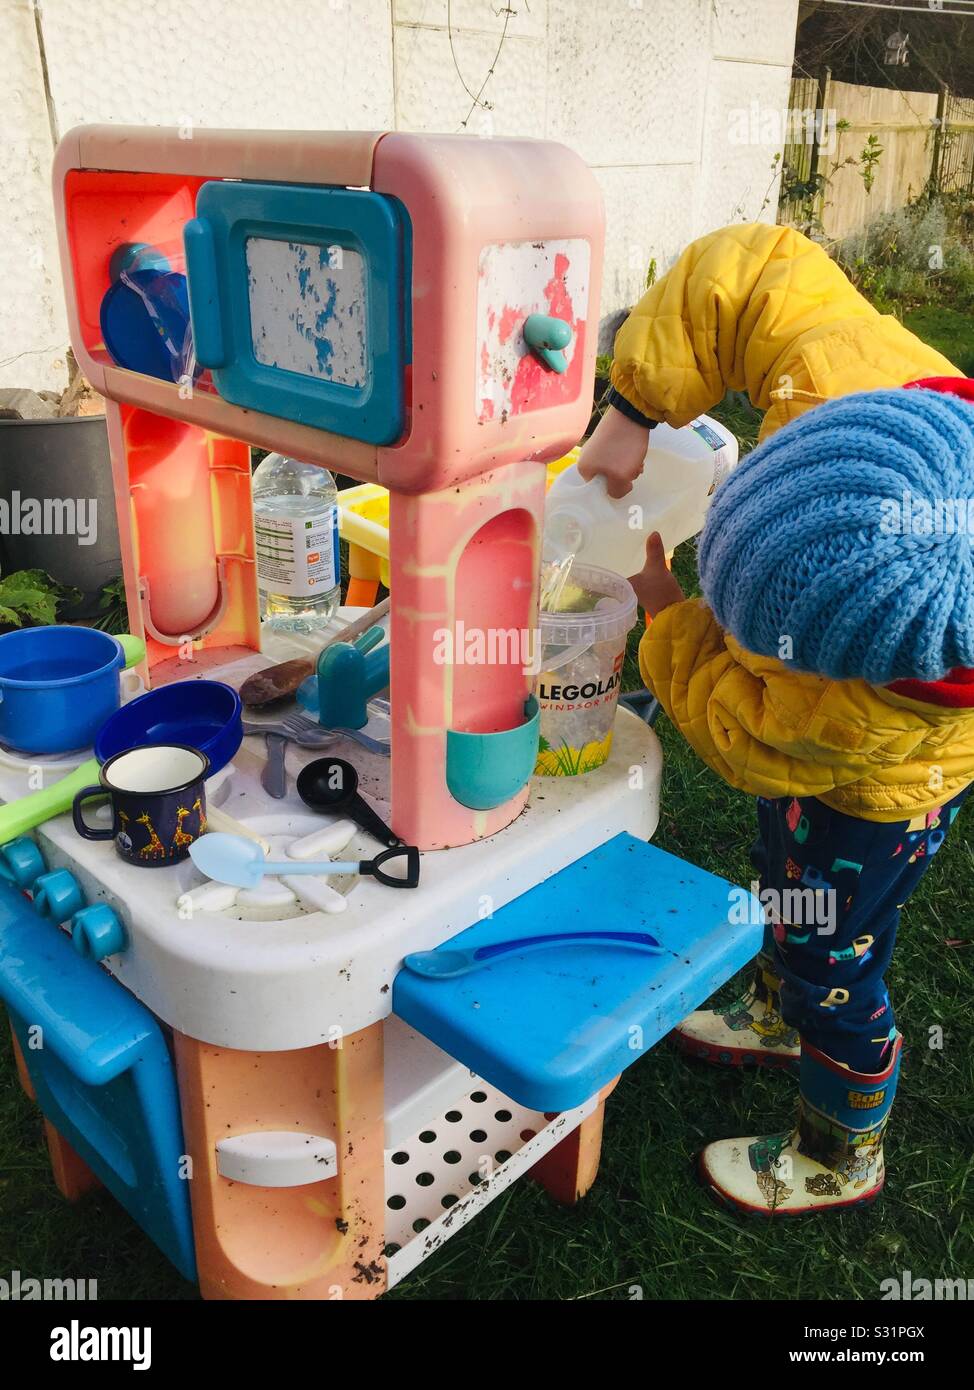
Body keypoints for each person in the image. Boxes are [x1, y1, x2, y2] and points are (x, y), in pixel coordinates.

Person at [577, 221, 974, 1215]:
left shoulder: (845, 716)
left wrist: (663, 607)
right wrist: (631, 404)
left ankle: (843, 1139)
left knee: (834, 949)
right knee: (785, 874)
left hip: (879, 802)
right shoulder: (855, 378)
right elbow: (747, 270)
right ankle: (775, 1010)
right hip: (828, 777)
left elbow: (734, 724)